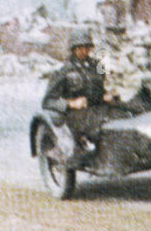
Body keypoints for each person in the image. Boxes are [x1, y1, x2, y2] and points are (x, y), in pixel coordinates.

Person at [43, 27, 121, 156]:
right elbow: (48, 101)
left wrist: (108, 94)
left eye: (87, 47)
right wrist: (71, 103)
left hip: (98, 109)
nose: (84, 51)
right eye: (80, 47)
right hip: (77, 115)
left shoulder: (98, 65)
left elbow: (106, 83)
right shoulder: (64, 71)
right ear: (74, 49)